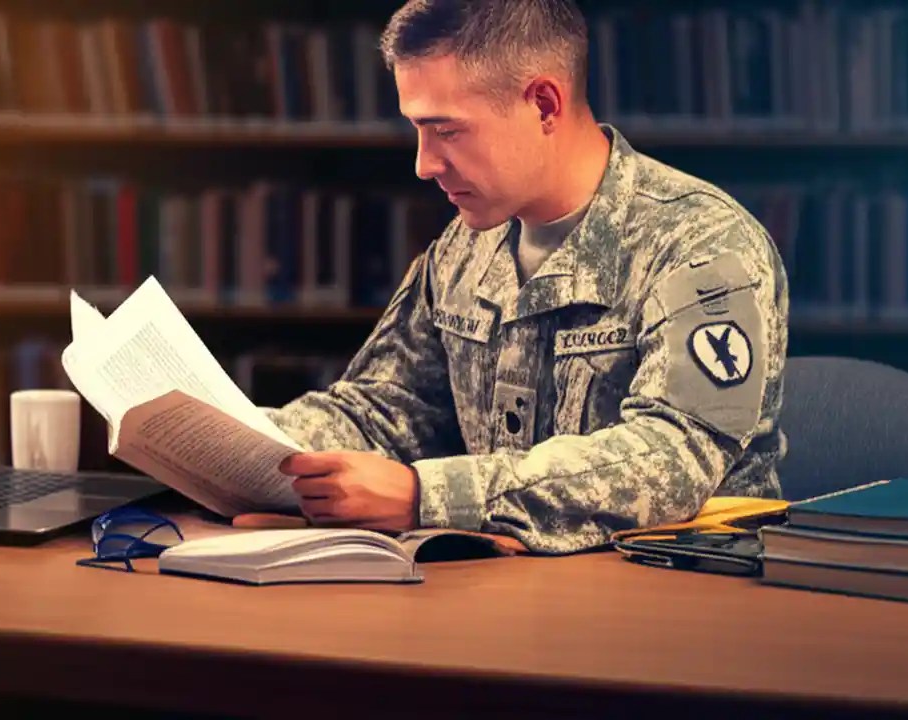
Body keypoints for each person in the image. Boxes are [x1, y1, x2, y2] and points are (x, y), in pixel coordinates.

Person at [264, 0, 790, 554]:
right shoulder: (465, 246)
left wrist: (427, 495)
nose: (424, 164)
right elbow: (388, 412)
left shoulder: (703, 245)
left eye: (446, 130)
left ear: (543, 104)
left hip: (678, 597)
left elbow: (673, 458)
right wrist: (236, 440)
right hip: (491, 590)